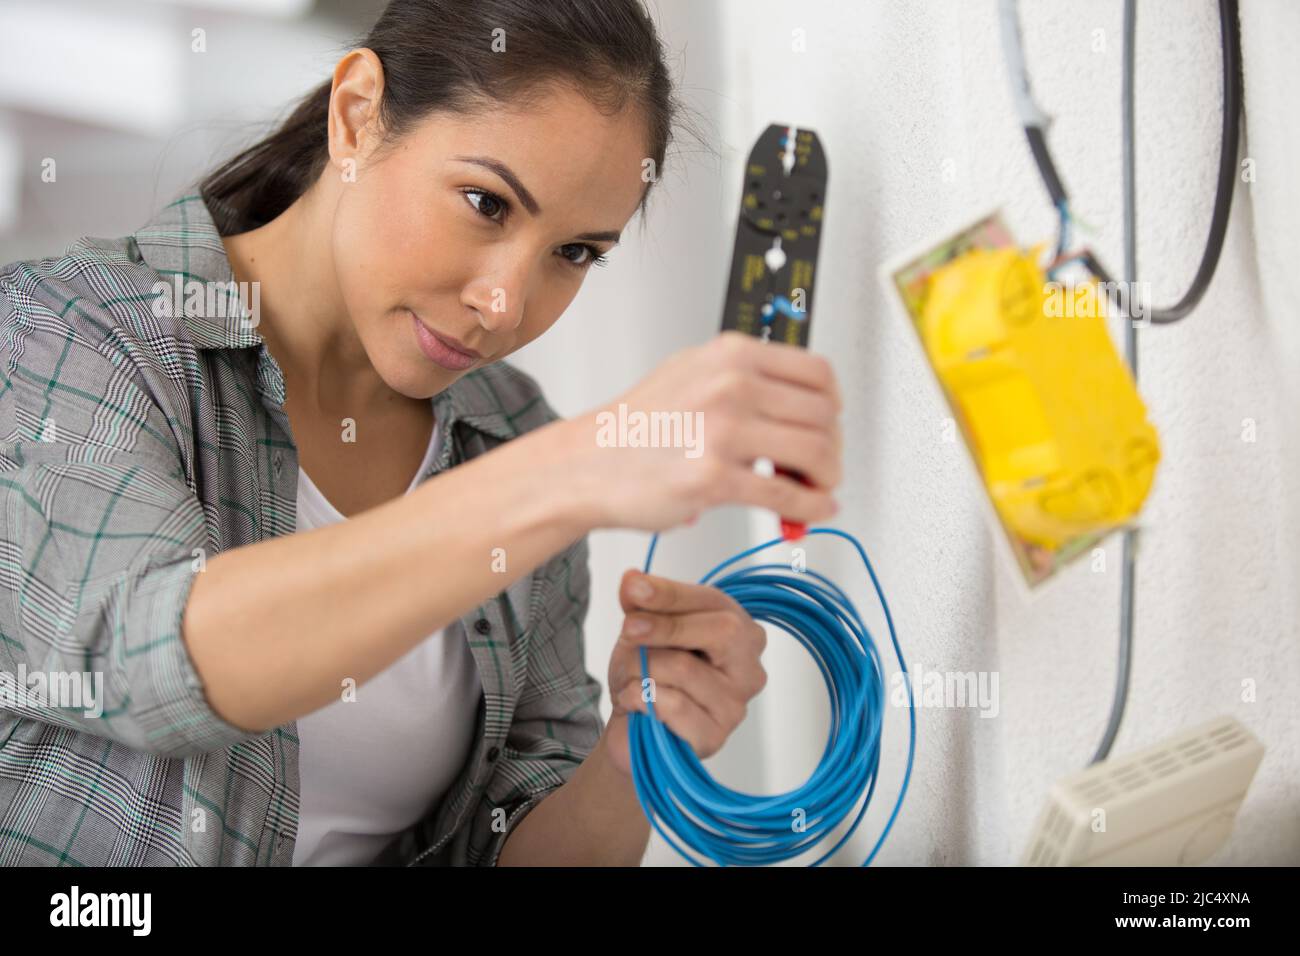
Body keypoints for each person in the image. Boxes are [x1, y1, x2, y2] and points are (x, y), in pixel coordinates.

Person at [0, 0, 842, 866]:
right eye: (486, 202)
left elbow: (502, 845)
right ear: (358, 115)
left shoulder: (512, 436)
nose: (505, 303)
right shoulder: (68, 332)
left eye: (576, 253)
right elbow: (152, 658)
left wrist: (637, 752)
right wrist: (564, 475)